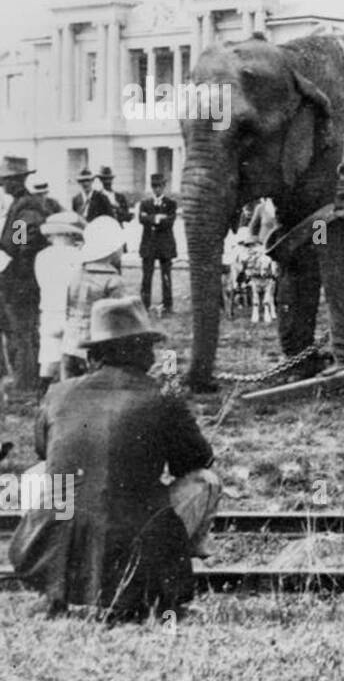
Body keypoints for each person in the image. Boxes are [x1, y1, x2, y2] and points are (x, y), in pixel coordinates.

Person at [9, 296, 220, 620]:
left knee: (43, 475)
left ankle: (57, 591)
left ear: (94, 354)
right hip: (133, 546)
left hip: (53, 544)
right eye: (149, 346)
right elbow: (198, 461)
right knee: (206, 482)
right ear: (141, 351)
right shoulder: (163, 396)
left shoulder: (58, 393)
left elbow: (44, 452)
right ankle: (174, 563)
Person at [0, 156, 47, 393]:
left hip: (21, 283)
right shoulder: (19, 204)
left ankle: (25, 387)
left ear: (17, 180)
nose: (3, 185)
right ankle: (23, 382)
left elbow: (21, 244)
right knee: (18, 334)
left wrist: (7, 255)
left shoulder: (27, 206)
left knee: (22, 336)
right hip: (14, 281)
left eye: (6, 180)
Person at [62, 216, 127, 379]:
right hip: (97, 346)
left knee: (69, 388)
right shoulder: (114, 281)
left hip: (70, 341)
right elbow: (116, 319)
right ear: (112, 250)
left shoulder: (75, 273)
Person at [33, 211, 84, 390]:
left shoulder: (41, 256)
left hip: (49, 310)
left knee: (48, 357)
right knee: (71, 357)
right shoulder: (79, 256)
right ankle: (67, 396)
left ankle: (42, 395)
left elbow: (40, 281)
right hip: (71, 311)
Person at [138, 173, 177, 315]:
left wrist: (151, 219)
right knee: (146, 276)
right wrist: (158, 218)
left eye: (159, 186)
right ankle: (144, 305)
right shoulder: (145, 203)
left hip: (165, 244)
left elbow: (170, 222)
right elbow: (141, 220)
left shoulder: (171, 203)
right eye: (154, 186)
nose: (157, 189)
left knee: (166, 276)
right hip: (149, 245)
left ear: (164, 186)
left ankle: (168, 305)